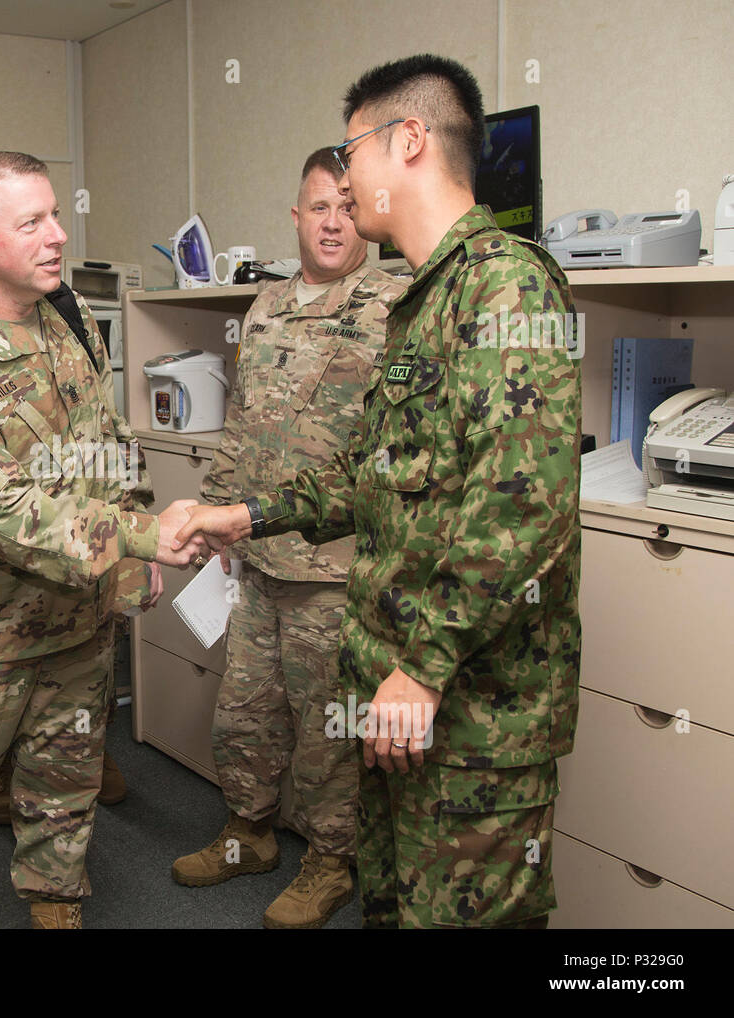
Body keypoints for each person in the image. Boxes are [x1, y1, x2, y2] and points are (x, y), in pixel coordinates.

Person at [176, 54, 581, 929]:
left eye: (349, 148)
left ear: (407, 142)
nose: (342, 175)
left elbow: (521, 509)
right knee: (391, 910)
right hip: (397, 689)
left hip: (469, 713)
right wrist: (246, 513)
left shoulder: (504, 284)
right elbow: (381, 476)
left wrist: (427, 667)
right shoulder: (422, 304)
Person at [0, 151, 203, 930]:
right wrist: (144, 536)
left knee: (67, 774)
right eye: (33, 222)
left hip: (76, 620)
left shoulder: (69, 317)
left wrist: (128, 540)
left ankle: (56, 903)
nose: (58, 235)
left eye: (56, 214)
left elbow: (107, 441)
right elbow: (6, 515)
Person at [170, 149, 405, 929]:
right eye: (318, 207)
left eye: (347, 205)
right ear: (295, 217)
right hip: (256, 556)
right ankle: (249, 833)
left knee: (329, 731)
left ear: (364, 213)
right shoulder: (265, 305)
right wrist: (211, 515)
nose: (333, 221)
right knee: (245, 713)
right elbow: (241, 428)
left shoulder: (392, 301)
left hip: (336, 568)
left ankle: (332, 862)